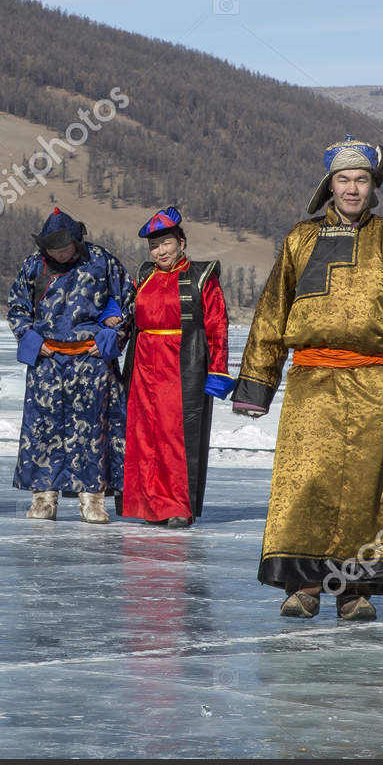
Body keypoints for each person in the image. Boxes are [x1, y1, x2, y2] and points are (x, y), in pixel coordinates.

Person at [231, 136, 383, 621]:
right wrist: (258, 381)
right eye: (343, 180)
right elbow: (272, 310)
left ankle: (353, 591)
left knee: (367, 490)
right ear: (329, 186)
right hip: (311, 380)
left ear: (372, 186)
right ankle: (303, 586)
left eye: (361, 180)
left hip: (373, 382)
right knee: (306, 484)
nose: (352, 188)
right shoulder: (301, 239)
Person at [7, 208, 133, 523]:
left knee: (92, 430)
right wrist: (34, 343)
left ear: (76, 242)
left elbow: (128, 301)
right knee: (43, 430)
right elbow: (17, 308)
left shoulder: (102, 261)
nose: (60, 254)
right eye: (54, 250)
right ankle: (43, 500)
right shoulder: (34, 266)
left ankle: (93, 500)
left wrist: (108, 340)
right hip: (48, 361)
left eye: (65, 248)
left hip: (91, 361)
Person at [119, 208, 233, 528]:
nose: (161, 251)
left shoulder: (201, 275)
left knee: (174, 436)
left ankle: (177, 506)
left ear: (181, 242)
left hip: (181, 365)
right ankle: (150, 505)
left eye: (167, 243)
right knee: (143, 436)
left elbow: (217, 326)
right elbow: (125, 316)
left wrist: (218, 370)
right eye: (155, 247)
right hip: (143, 364)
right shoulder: (143, 276)